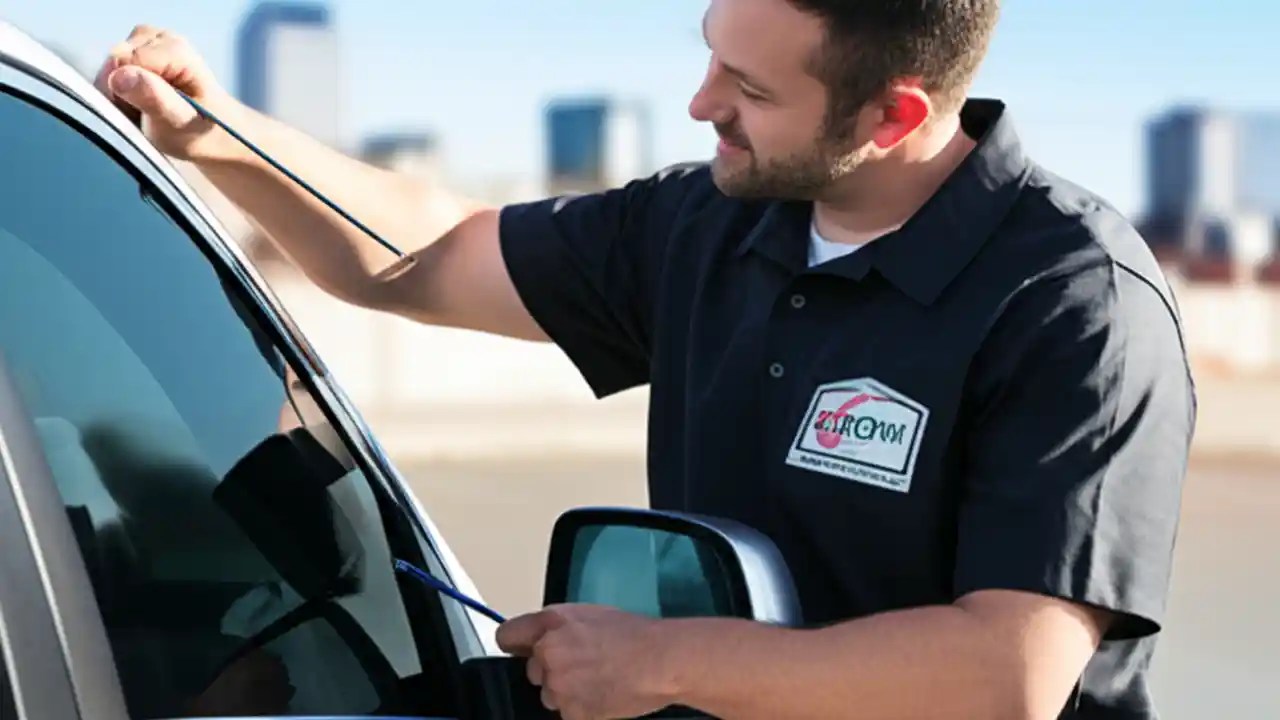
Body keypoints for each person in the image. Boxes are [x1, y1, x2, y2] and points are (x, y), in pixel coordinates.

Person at [95, 0, 1196, 717]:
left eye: (750, 91)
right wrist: (215, 134)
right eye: (711, 53)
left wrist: (661, 662)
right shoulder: (710, 221)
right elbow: (422, 256)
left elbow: (1007, 674)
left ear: (892, 113)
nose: (700, 103)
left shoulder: (1070, 301)